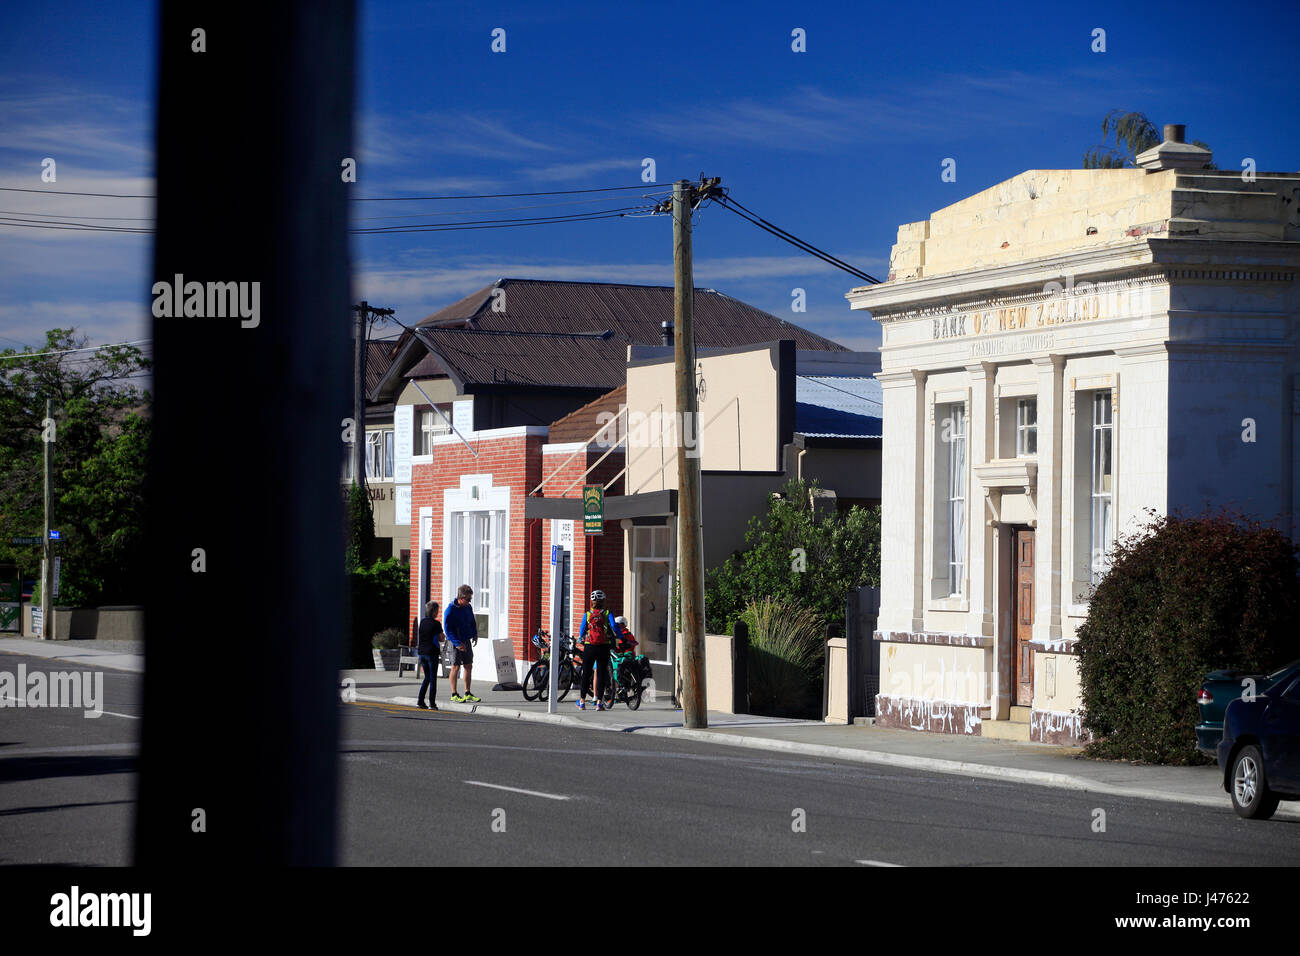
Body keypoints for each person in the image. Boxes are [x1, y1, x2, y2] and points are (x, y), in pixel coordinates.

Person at [576, 590, 622, 711]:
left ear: (592, 602)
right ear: (603, 601)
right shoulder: (607, 613)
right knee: (601, 674)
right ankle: (599, 703)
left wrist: (580, 639)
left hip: (589, 646)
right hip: (603, 646)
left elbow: (581, 631)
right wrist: (621, 637)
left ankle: (582, 702)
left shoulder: (588, 614)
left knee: (586, 674)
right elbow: (614, 626)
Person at [444, 584, 481, 703]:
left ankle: (467, 692)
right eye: (468, 599)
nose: (470, 601)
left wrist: (474, 634)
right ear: (461, 598)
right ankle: (454, 693)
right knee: (455, 666)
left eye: (470, 599)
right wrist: (456, 643)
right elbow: (447, 629)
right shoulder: (450, 610)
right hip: (455, 641)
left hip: (466, 639)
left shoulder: (468, 607)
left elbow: (472, 622)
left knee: (468, 665)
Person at [415, 600, 442, 710]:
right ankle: (432, 703)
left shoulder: (422, 622)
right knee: (433, 678)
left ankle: (420, 700)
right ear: (434, 611)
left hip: (422, 652)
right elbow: (441, 637)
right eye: (437, 611)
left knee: (427, 677)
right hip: (432, 653)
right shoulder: (436, 624)